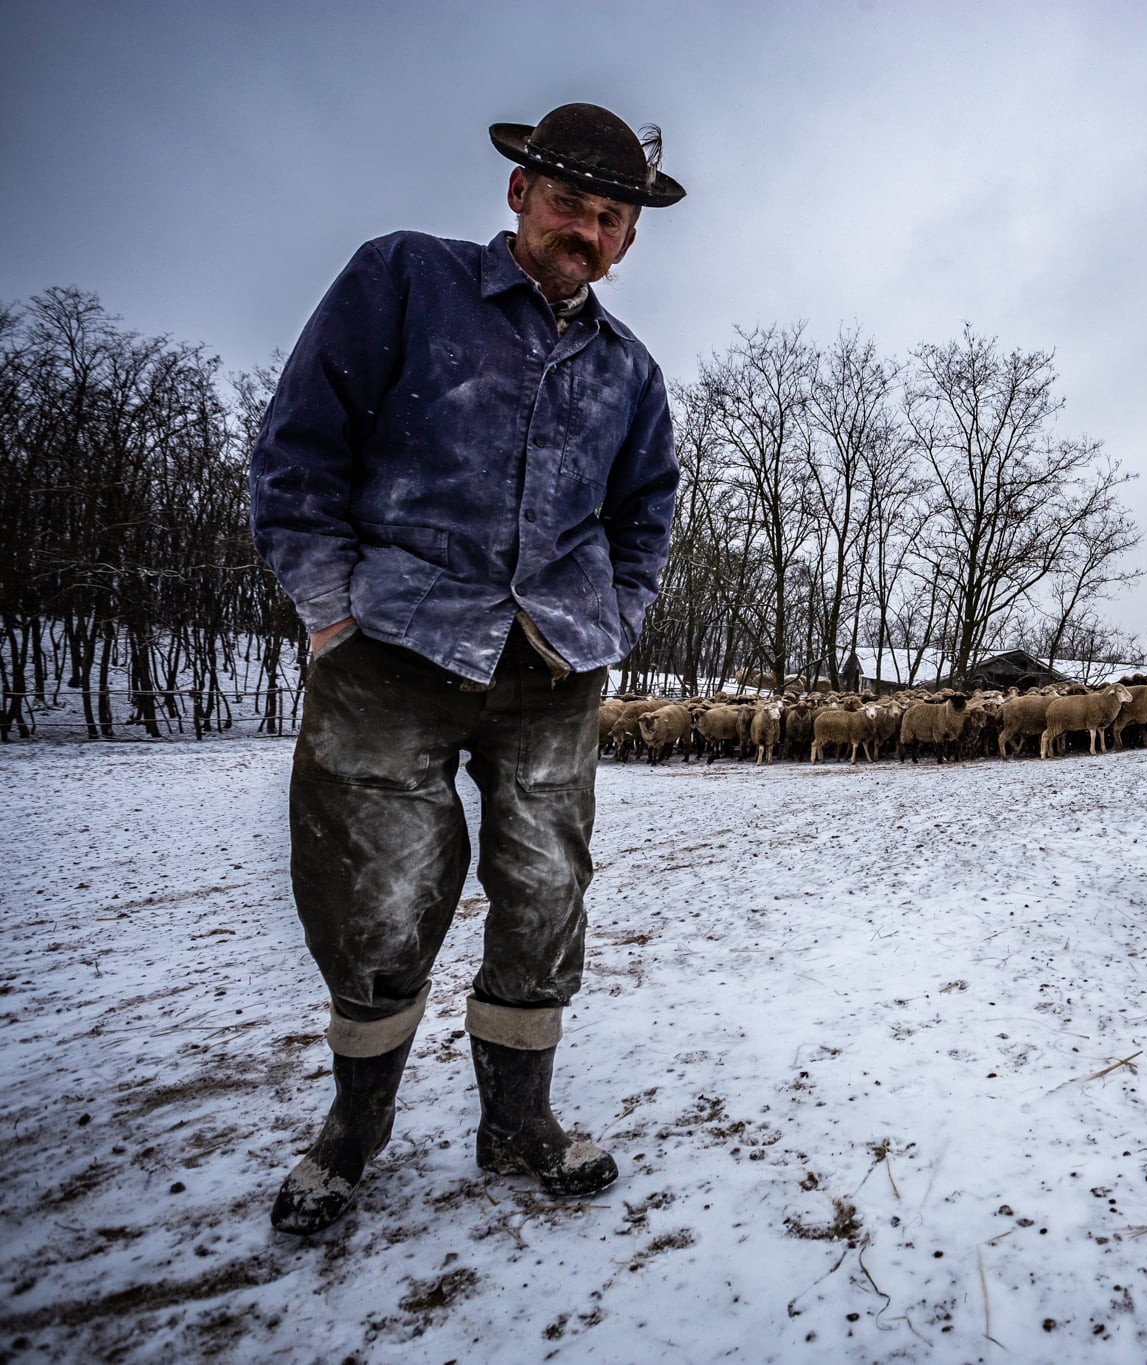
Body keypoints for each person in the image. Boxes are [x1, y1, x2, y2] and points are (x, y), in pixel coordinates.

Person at [248, 103, 685, 1235]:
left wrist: (614, 618)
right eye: (567, 204)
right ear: (517, 196)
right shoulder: (403, 281)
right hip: (392, 648)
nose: (585, 230)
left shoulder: (630, 375)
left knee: (544, 895)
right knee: (376, 901)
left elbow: (647, 518)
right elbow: (300, 444)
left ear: (629, 237)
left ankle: (517, 1122)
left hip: (551, 670)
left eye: (610, 217)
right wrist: (330, 606)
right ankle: (352, 1131)